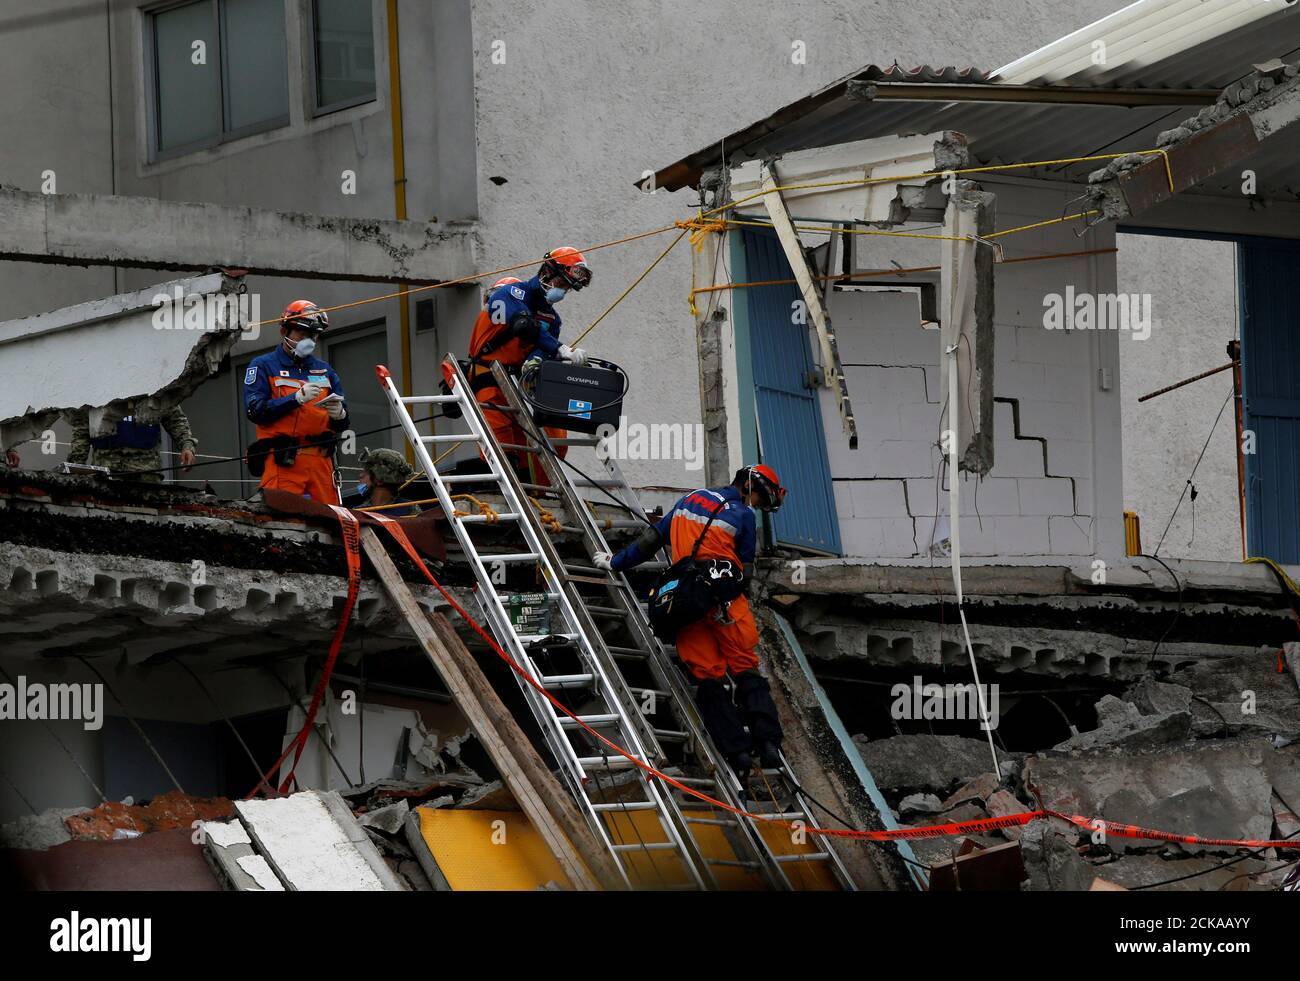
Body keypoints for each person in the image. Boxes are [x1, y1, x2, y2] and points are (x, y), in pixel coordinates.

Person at [593, 465, 789, 777]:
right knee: (744, 669)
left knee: (708, 677)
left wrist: (614, 562)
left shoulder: (688, 501)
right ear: (750, 488)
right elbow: (746, 569)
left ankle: (736, 754)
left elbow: (649, 543)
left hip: (686, 603)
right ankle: (768, 746)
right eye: (758, 499)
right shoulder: (743, 515)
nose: (756, 505)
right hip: (727, 604)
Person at [452, 248, 592, 483]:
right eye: (562, 283)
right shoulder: (510, 294)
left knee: (529, 446)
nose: (563, 290)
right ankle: (506, 484)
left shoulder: (552, 319)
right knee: (501, 444)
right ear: (547, 273)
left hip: (515, 386)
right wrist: (560, 348)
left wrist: (546, 358)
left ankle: (534, 489)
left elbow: (541, 348)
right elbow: (523, 325)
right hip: (489, 378)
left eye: (567, 288)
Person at [243, 300, 349, 504]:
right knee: (283, 520)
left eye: (313, 335)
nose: (308, 340)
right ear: (285, 331)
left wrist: (340, 415)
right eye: (302, 333)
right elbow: (254, 411)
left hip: (322, 463)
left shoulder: (325, 370)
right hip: (284, 461)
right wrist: (295, 399)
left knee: (331, 520)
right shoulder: (263, 366)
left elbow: (344, 422)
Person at [65, 405, 197, 482]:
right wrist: (75, 468)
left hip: (147, 471)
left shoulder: (153, 380)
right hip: (108, 471)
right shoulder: (99, 381)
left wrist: (187, 446)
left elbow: (174, 417)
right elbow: (82, 426)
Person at [355, 447, 420, 516]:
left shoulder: (409, 510)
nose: (360, 475)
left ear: (379, 479)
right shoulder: (357, 512)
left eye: (366, 472)